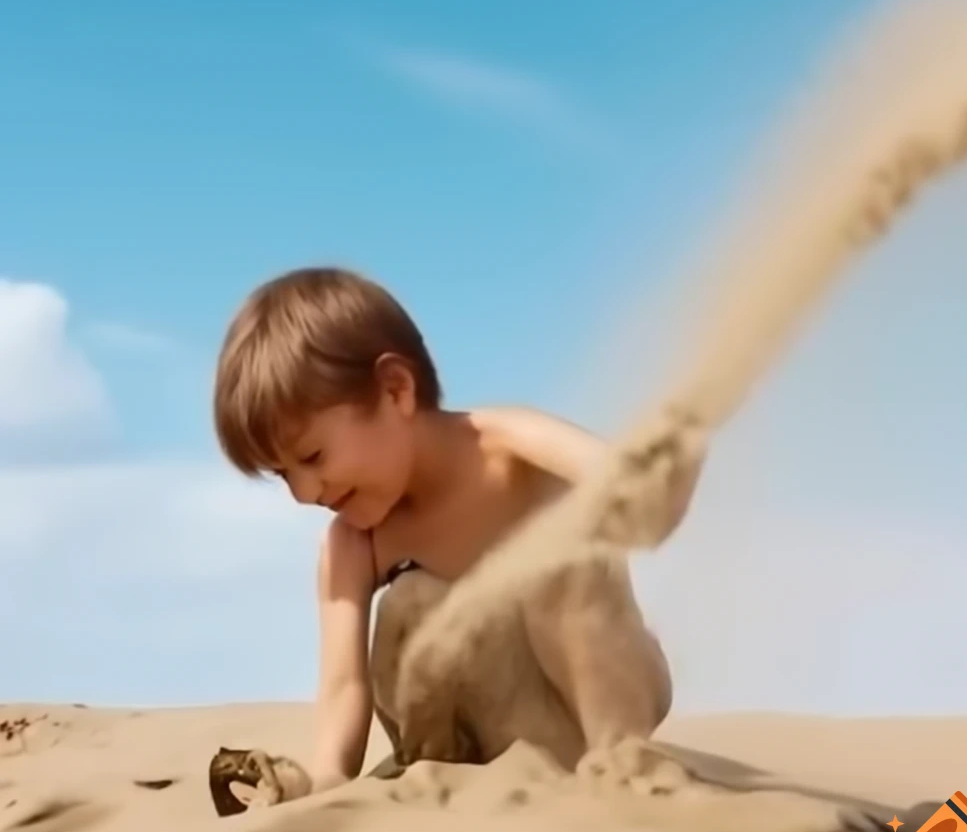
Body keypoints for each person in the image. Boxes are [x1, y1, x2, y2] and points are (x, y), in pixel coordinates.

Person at [213, 266, 691, 791]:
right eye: (284, 475)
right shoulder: (355, 542)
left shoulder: (507, 446)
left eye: (313, 456)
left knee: (557, 556)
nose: (305, 493)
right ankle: (437, 777)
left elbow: (628, 487)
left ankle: (625, 766)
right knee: (410, 602)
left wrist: (662, 469)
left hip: (589, 699)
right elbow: (344, 684)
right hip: (471, 746)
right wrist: (324, 780)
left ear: (395, 390)